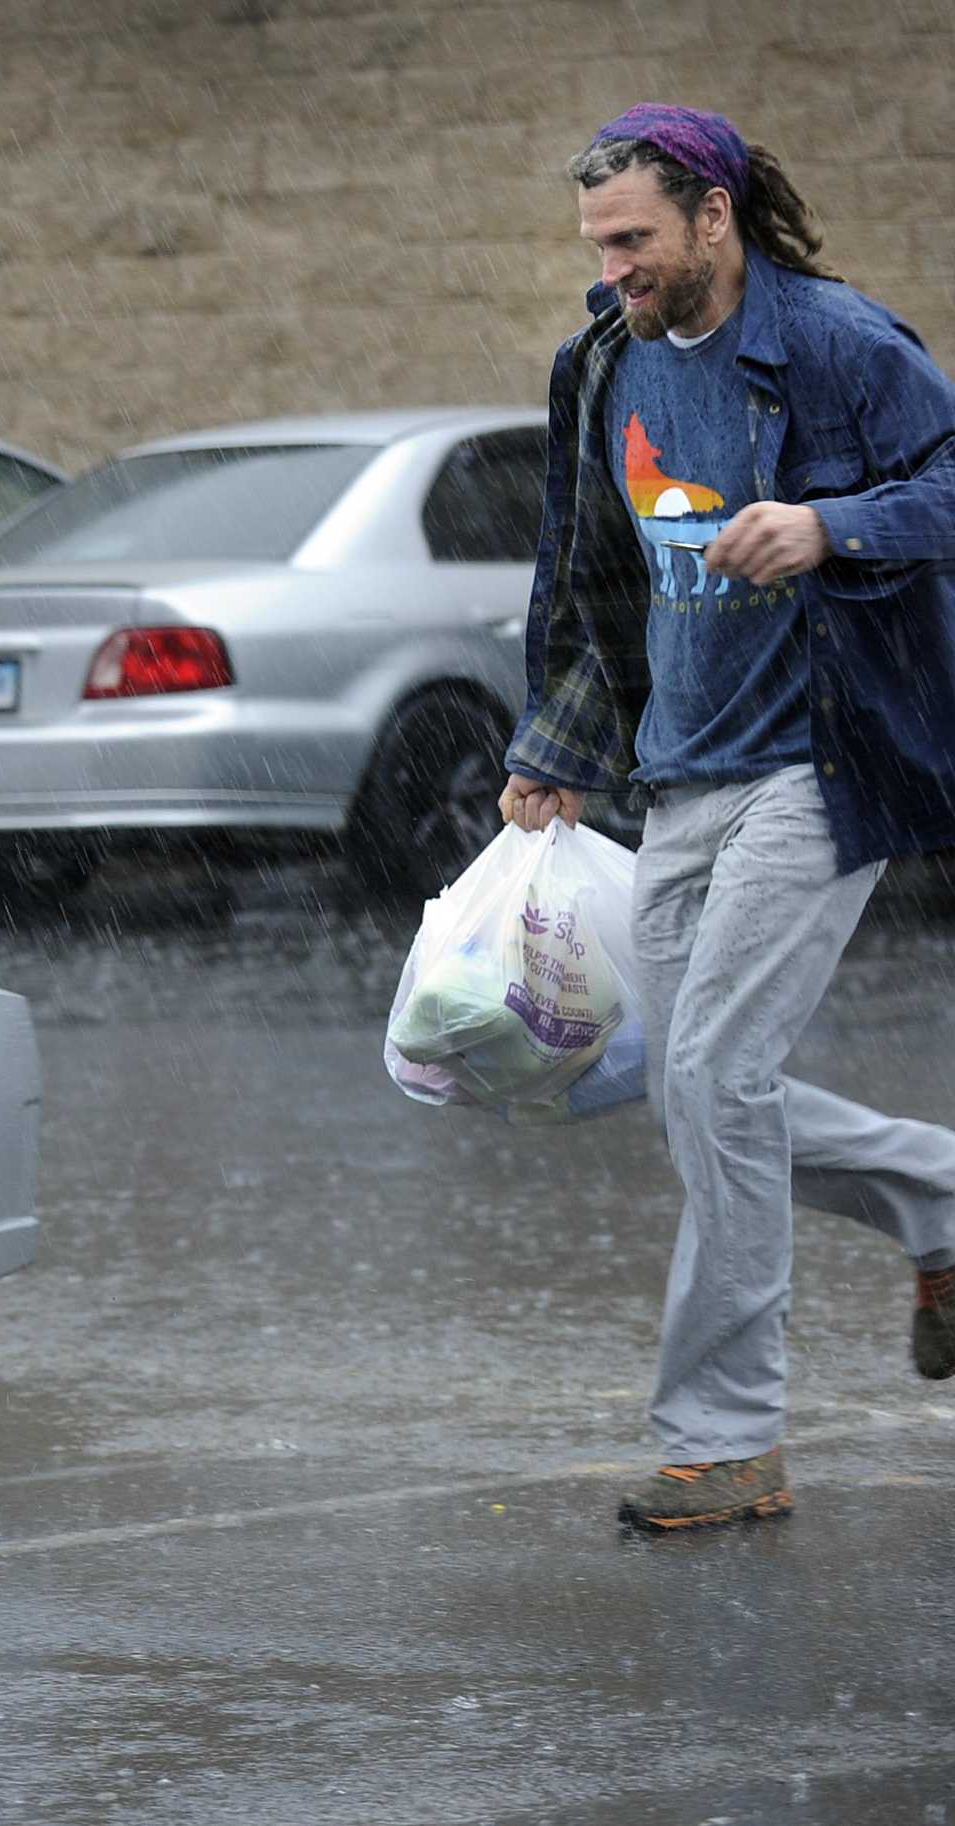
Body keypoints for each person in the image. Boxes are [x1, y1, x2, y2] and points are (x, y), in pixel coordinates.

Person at [499, 104, 955, 1533]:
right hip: (679, 766)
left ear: (715, 214)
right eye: (598, 244)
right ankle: (941, 1196)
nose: (615, 266)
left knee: (716, 1067)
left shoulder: (834, 344)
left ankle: (730, 1433)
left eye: (635, 239)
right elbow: (588, 574)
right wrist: (554, 743)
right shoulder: (604, 361)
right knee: (689, 1085)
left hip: (824, 759)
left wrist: (835, 526)